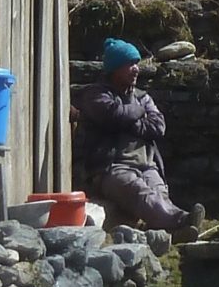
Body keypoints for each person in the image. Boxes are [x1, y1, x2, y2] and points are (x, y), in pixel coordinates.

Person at [73, 38, 195, 236]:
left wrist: (130, 120)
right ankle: (181, 221)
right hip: (111, 169)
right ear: (114, 68)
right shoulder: (95, 95)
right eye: (130, 64)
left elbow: (158, 126)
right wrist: (137, 113)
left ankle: (174, 229)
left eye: (137, 63)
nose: (136, 69)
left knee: (159, 192)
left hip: (147, 165)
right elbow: (114, 116)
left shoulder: (142, 95)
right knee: (140, 192)